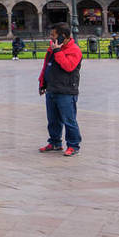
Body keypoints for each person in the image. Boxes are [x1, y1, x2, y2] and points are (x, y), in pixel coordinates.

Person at [39, 23, 83, 156]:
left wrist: (58, 51)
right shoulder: (52, 48)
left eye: (53, 35)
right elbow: (47, 66)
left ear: (63, 36)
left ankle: (73, 145)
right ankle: (55, 142)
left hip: (66, 91)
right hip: (52, 89)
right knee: (53, 120)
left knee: (69, 120)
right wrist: (42, 83)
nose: (51, 38)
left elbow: (68, 66)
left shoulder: (74, 50)